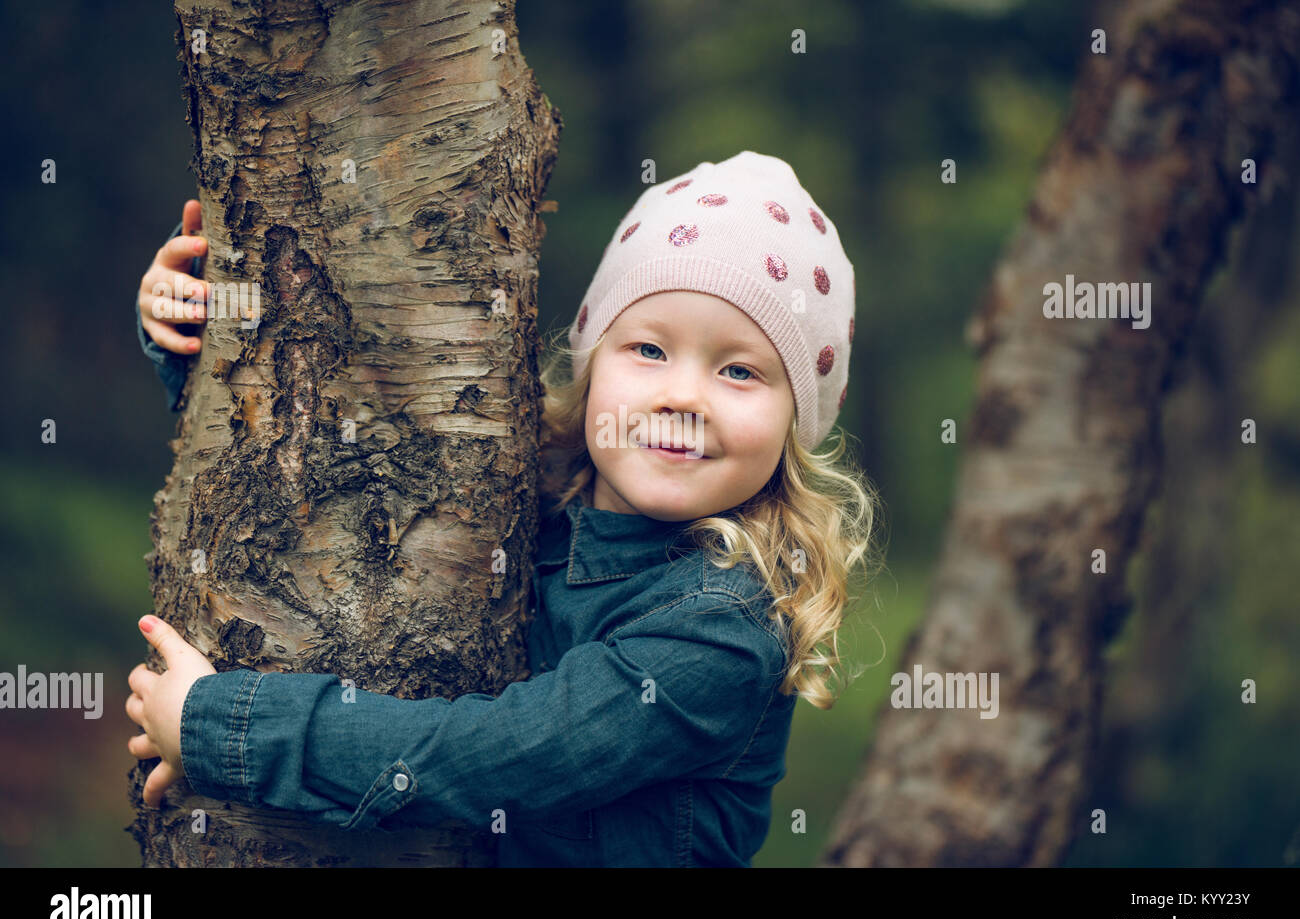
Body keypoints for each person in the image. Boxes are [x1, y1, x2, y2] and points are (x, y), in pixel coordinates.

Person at [125, 151, 885, 866]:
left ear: (796, 422)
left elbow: (493, 756)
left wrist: (224, 726)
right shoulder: (529, 487)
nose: (682, 395)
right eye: (649, 349)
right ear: (592, 362)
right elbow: (314, 455)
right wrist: (196, 317)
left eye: (741, 369)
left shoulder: (724, 624)